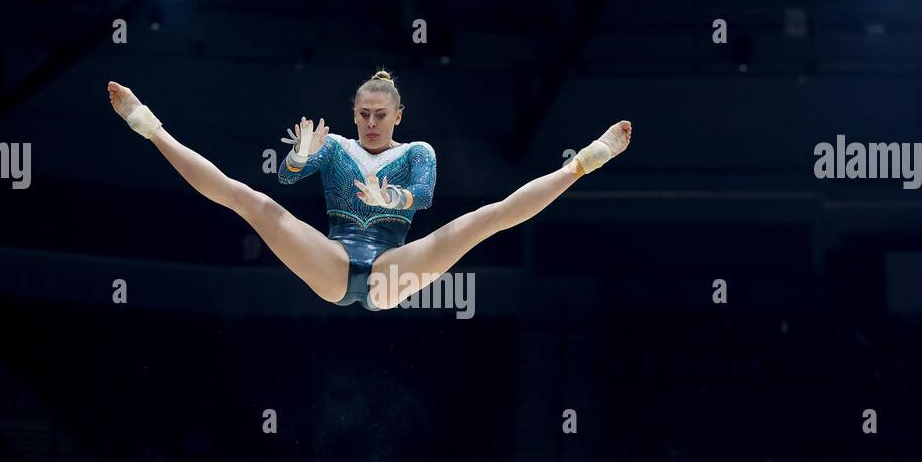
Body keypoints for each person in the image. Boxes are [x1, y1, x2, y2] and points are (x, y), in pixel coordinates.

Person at [108, 70, 631, 310]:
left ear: (398, 116)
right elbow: (286, 182)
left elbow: (423, 196)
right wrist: (299, 156)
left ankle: (586, 161)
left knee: (483, 219)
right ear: (352, 113)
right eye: (363, 114)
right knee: (253, 202)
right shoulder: (335, 145)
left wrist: (394, 199)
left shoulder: (417, 152)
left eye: (381, 115)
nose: (372, 123)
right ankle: (149, 125)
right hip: (333, 263)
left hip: (390, 272)